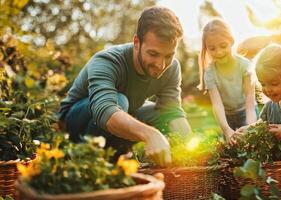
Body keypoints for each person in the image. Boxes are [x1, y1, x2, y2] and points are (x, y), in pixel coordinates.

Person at [57, 6, 192, 166]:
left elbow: (172, 112)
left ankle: (123, 154)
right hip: (76, 121)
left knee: (161, 113)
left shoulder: (172, 68)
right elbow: (104, 110)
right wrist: (150, 135)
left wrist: (192, 150)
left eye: (169, 55)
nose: (161, 65)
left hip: (124, 111)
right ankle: (87, 161)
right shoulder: (107, 61)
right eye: (153, 54)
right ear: (137, 42)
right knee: (120, 101)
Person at [198, 18, 258, 142]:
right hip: (226, 116)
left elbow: (249, 98)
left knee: (252, 142)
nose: (219, 52)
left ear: (231, 41)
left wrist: (250, 125)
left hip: (246, 112)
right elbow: (217, 104)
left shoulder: (245, 65)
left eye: (223, 46)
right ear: (206, 48)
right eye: (212, 48)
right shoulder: (210, 73)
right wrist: (226, 129)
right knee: (230, 148)